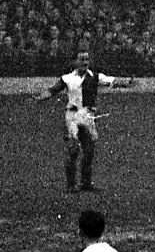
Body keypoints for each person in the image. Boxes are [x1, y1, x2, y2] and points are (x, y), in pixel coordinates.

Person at [34, 51, 138, 193]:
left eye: (86, 59)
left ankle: (85, 183)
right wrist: (40, 97)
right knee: (74, 149)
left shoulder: (95, 77)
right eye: (82, 59)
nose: (84, 62)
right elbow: (53, 90)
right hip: (73, 115)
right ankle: (71, 185)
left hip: (88, 115)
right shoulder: (68, 78)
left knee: (89, 151)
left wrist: (127, 83)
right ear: (76, 61)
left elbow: (112, 81)